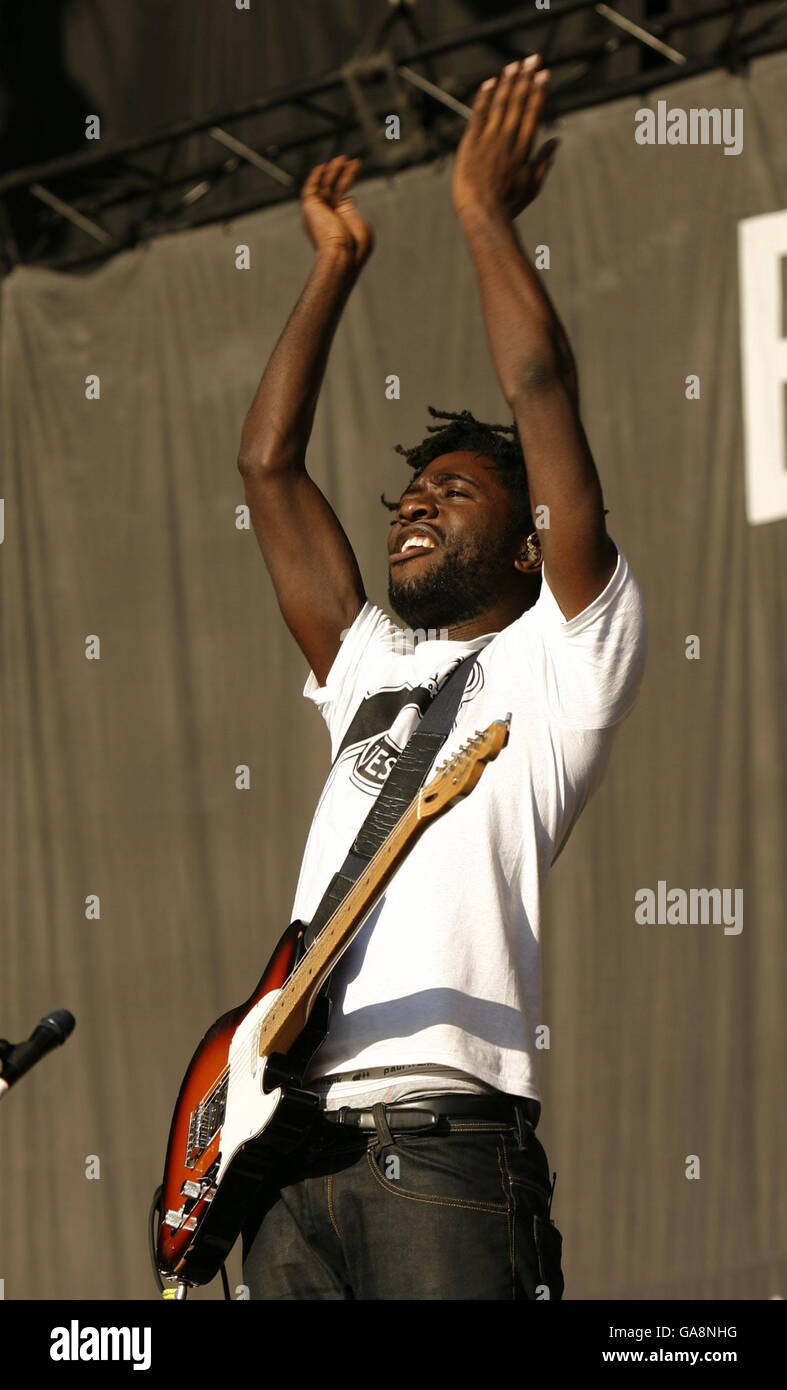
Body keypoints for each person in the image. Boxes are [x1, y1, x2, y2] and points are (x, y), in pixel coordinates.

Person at [236, 55, 647, 1300]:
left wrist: (481, 214)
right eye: (413, 489)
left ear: (529, 544)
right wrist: (333, 266)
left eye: (453, 492)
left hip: (446, 1153)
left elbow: (538, 389)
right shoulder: (374, 663)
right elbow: (266, 466)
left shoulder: (565, 651)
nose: (417, 501)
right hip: (287, 1157)